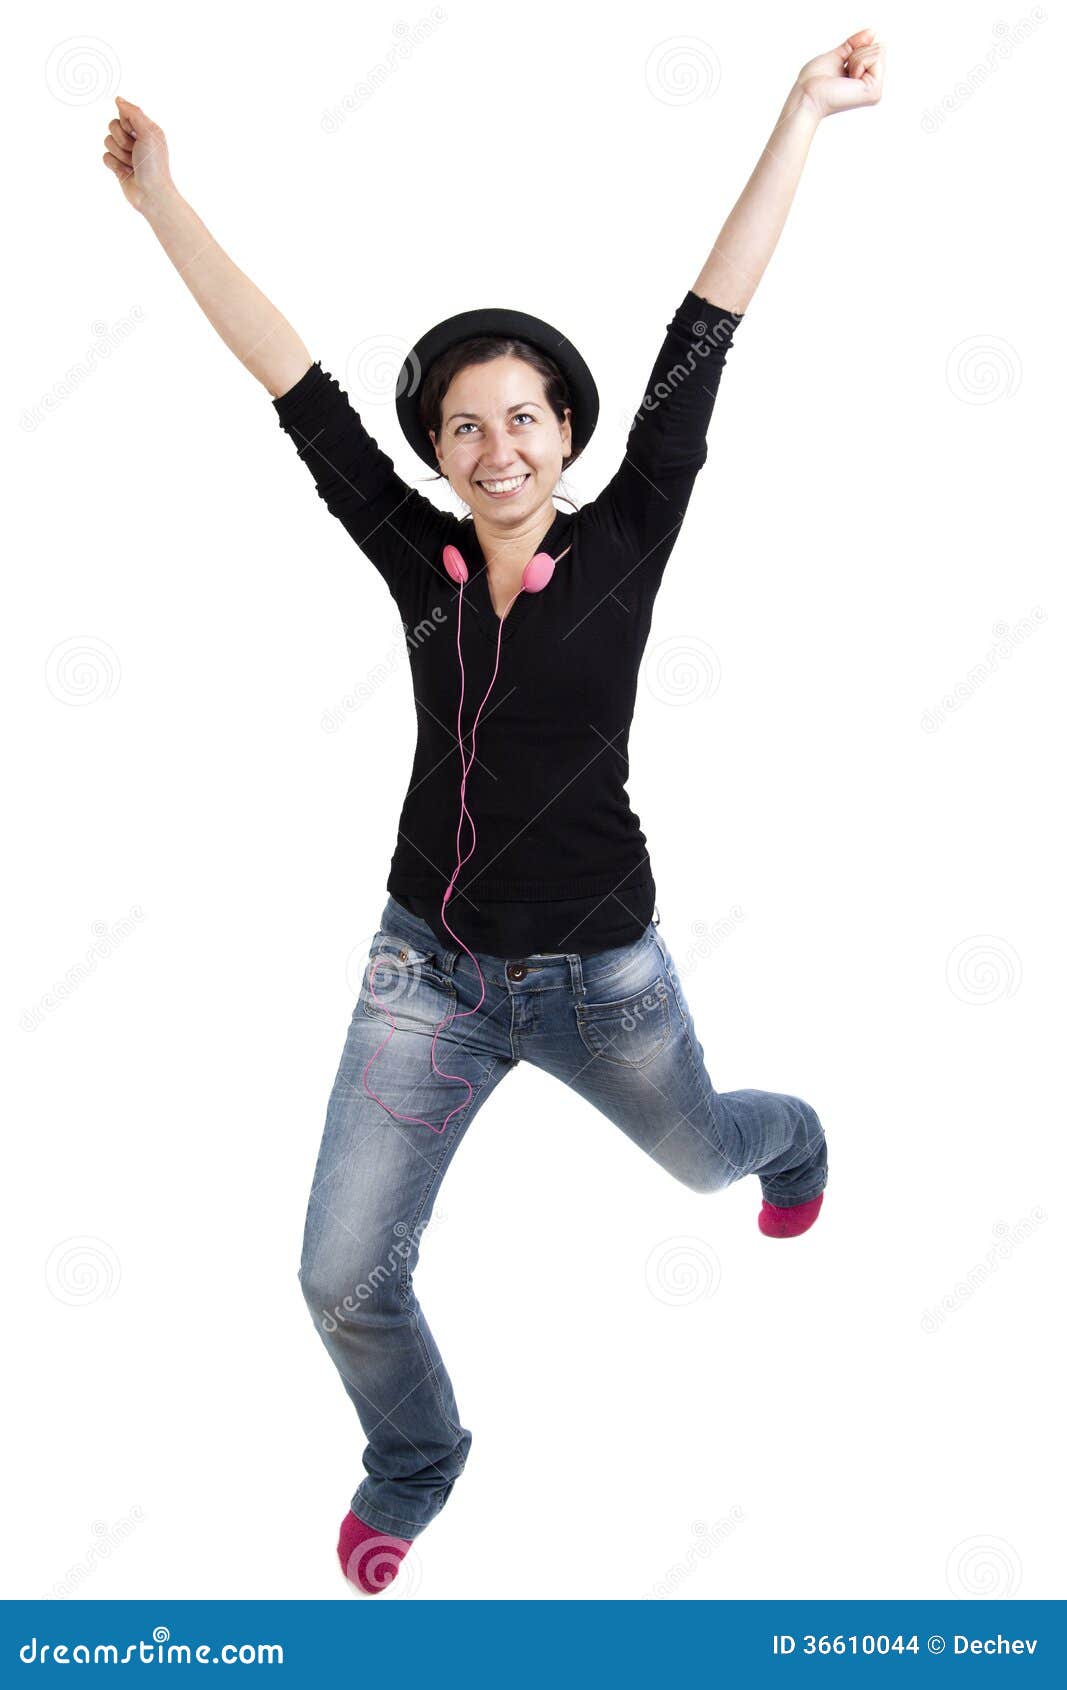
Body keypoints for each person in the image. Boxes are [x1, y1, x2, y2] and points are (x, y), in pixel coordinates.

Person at [102, 28, 884, 1597]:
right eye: (465, 422)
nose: (497, 442)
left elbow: (707, 323)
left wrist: (800, 110)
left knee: (708, 1153)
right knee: (337, 1275)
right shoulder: (416, 555)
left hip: (601, 977)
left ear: (570, 435)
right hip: (429, 972)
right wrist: (160, 203)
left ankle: (796, 1137)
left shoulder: (630, 537)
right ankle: (417, 1456)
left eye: (525, 415)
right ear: (438, 452)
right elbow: (293, 379)